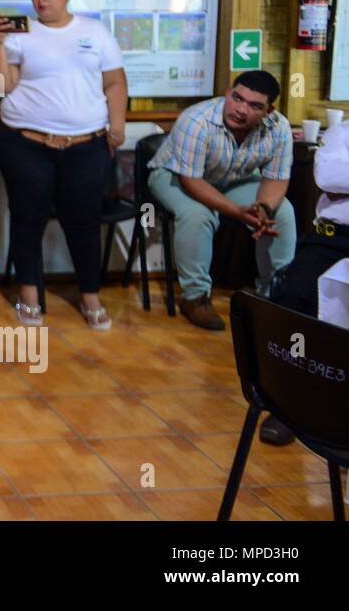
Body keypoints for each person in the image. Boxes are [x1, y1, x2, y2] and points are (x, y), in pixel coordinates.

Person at [0, 0, 128, 330]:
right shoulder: (21, 33)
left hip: (85, 146)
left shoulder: (94, 32)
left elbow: (114, 82)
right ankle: (30, 296)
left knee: (83, 221)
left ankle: (90, 297)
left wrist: (116, 129)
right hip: (26, 144)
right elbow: (0, 87)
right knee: (27, 219)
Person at [147, 70, 295, 331]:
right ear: (228, 93)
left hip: (233, 180)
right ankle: (195, 297)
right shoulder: (197, 120)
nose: (241, 109)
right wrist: (237, 212)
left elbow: (276, 179)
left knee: (282, 212)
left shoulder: (279, 127)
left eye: (254, 106)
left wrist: (263, 208)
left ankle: (275, 292)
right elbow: (191, 181)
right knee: (198, 214)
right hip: (175, 176)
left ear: (269, 110)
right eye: (237, 98)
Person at [261, 116, 349, 443]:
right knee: (294, 295)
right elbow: (328, 176)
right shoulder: (342, 131)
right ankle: (287, 406)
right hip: (332, 236)